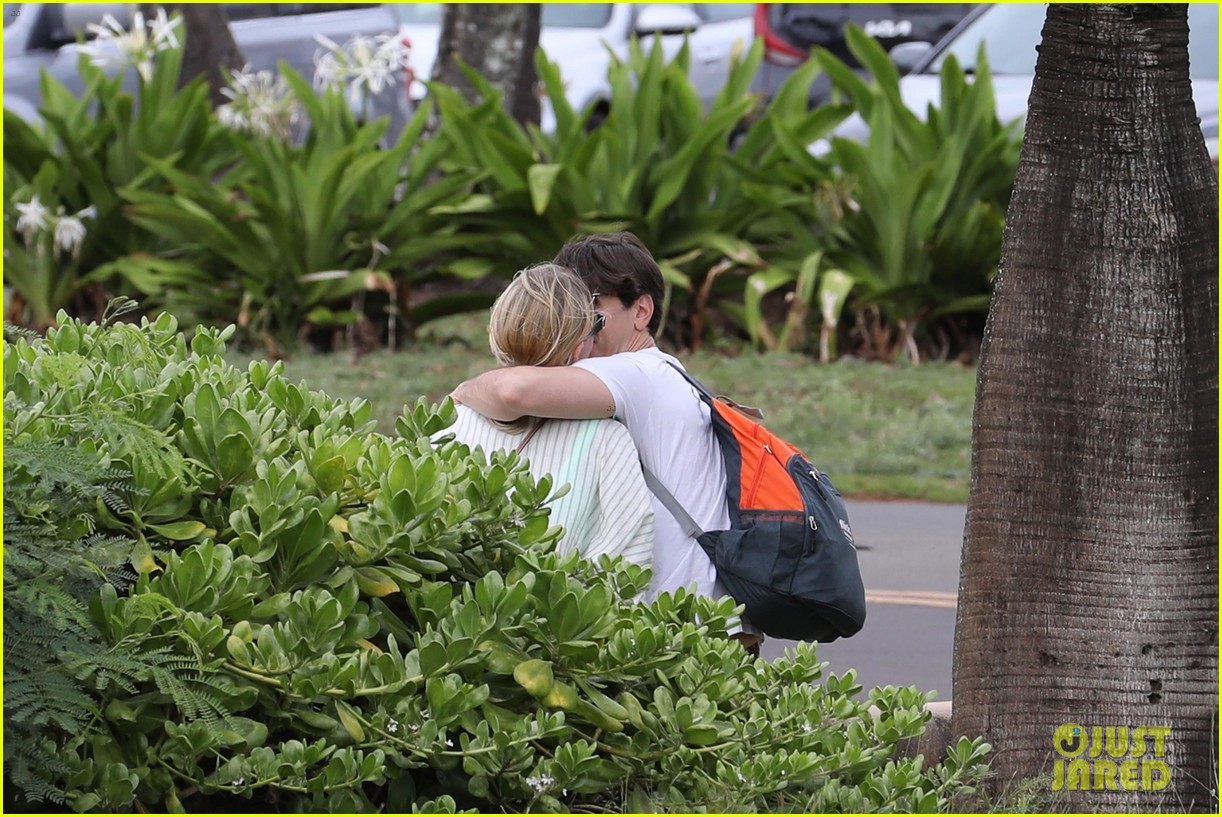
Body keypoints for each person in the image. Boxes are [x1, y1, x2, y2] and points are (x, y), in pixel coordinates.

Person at [451, 233, 760, 652]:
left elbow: (511, 392)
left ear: (642, 312)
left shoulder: (634, 373)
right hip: (704, 624)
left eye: (591, 311)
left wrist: (462, 393)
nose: (577, 324)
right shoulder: (662, 375)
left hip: (693, 636)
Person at [444, 263, 653, 566]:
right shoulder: (606, 441)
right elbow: (627, 567)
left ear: (496, 332)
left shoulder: (447, 424)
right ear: (580, 346)